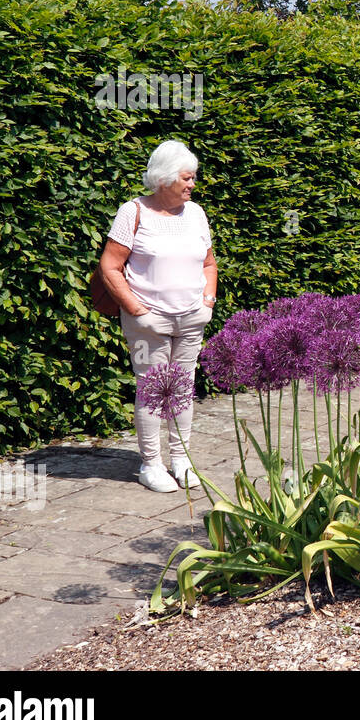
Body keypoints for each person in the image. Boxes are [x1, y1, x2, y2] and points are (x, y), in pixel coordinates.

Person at [98, 140, 217, 492]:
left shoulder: (195, 213)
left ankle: (181, 460)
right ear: (164, 179)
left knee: (182, 387)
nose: (192, 184)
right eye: (187, 178)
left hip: (191, 318)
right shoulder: (133, 211)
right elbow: (110, 265)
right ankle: (151, 465)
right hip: (149, 323)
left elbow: (209, 263)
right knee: (152, 389)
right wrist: (136, 310)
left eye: (193, 177)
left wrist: (207, 301)